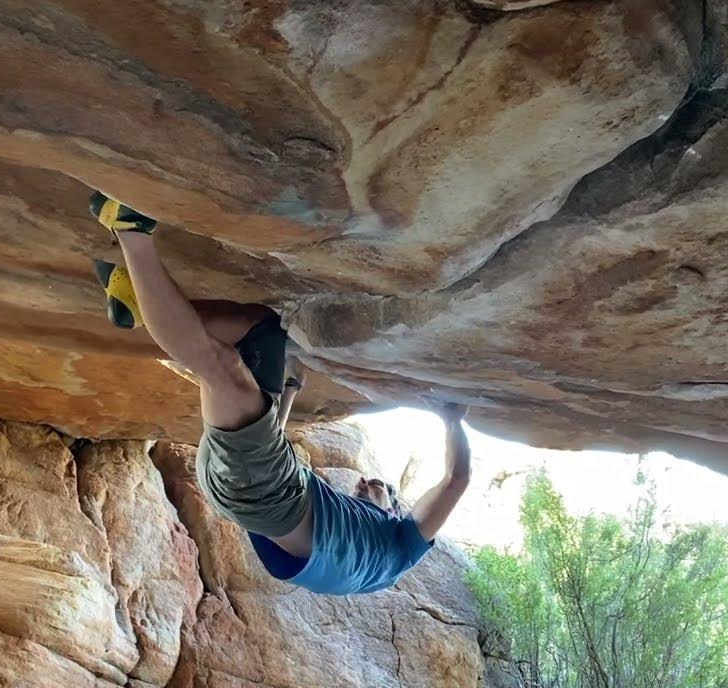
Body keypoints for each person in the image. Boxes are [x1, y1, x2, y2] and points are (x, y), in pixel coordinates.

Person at [88, 191, 472, 595]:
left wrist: (452, 419)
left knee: (224, 368)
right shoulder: (343, 527)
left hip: (262, 494)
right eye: (369, 482)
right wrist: (289, 392)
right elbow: (268, 450)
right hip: (247, 488)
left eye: (377, 485)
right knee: (261, 330)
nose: (362, 483)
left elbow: (457, 478)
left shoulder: (400, 549)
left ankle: (130, 228)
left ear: (394, 509)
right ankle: (139, 302)